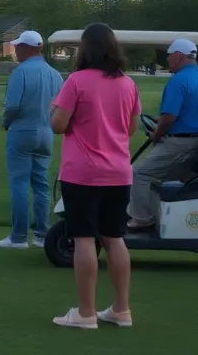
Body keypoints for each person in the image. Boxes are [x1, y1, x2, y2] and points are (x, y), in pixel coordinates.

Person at [49, 23, 140, 330]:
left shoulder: (76, 81)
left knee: (84, 237)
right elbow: (130, 128)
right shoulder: (127, 84)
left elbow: (58, 125)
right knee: (114, 238)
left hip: (84, 172)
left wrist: (60, 113)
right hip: (118, 171)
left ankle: (86, 312)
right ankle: (121, 309)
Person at [125, 39, 198, 231]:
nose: (167, 60)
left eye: (169, 56)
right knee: (154, 176)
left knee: (139, 173)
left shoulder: (178, 81)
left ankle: (142, 218)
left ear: (178, 55)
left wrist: (156, 136)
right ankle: (153, 215)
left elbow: (169, 118)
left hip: (181, 143)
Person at [0, 29, 63, 249]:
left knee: (19, 184)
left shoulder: (21, 72)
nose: (15, 50)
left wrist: (6, 122)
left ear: (26, 48)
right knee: (41, 185)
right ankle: (43, 235)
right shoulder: (55, 74)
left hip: (23, 132)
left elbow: (13, 106)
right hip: (46, 133)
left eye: (18, 46)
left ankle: (18, 237)